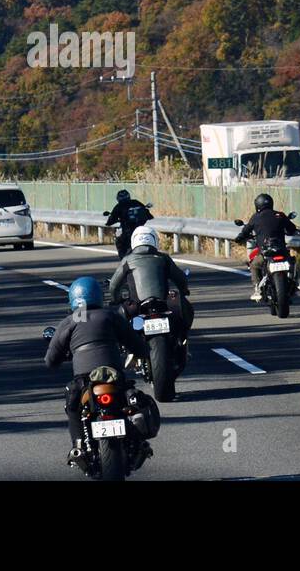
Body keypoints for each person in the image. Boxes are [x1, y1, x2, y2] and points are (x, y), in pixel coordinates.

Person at [44, 276, 148, 465]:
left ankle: (78, 446)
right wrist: (142, 352)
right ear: (98, 295)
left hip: (83, 380)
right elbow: (137, 345)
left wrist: (61, 357)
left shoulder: (70, 321)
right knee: (132, 400)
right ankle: (137, 440)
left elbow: (50, 360)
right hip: (114, 376)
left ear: (73, 298)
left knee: (72, 407)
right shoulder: (110, 316)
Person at [108, 226, 194, 334]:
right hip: (163, 304)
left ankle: (126, 344)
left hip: (137, 306)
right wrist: (184, 290)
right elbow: (180, 278)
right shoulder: (164, 258)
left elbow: (114, 285)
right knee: (183, 310)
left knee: (119, 324)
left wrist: (115, 299)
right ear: (155, 240)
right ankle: (181, 338)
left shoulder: (127, 260)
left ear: (134, 241)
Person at [233, 193, 297, 302]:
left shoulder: (256, 217)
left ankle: (257, 288)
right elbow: (292, 229)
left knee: (254, 265)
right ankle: (294, 284)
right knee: (292, 261)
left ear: (257, 205)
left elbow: (245, 231)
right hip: (281, 251)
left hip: (266, 252)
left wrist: (239, 238)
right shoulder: (280, 215)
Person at [106, 189, 152, 258]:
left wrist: (110, 221)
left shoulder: (119, 206)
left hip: (127, 231)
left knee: (119, 241)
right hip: (140, 230)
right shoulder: (136, 202)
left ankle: (123, 259)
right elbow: (148, 215)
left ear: (118, 198)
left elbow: (111, 220)